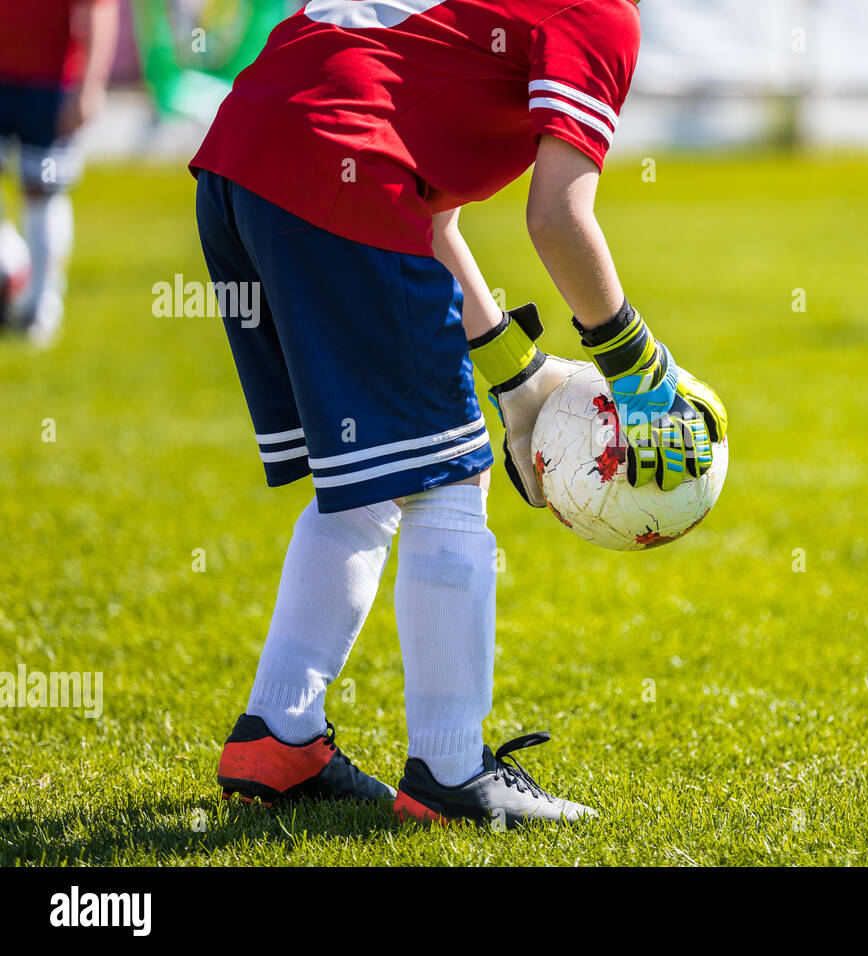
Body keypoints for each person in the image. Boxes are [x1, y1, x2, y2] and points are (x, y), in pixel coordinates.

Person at [190, 0, 726, 827]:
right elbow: (556, 215)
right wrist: (640, 373)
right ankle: (451, 772)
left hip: (240, 166)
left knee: (369, 483)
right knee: (446, 482)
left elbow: (429, 207)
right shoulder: (599, 14)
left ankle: (278, 737)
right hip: (337, 165)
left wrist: (514, 377)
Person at [0, 0, 117, 346]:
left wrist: (90, 86)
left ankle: (41, 305)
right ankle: (11, 264)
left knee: (43, 189)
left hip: (50, 83)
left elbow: (100, 9)